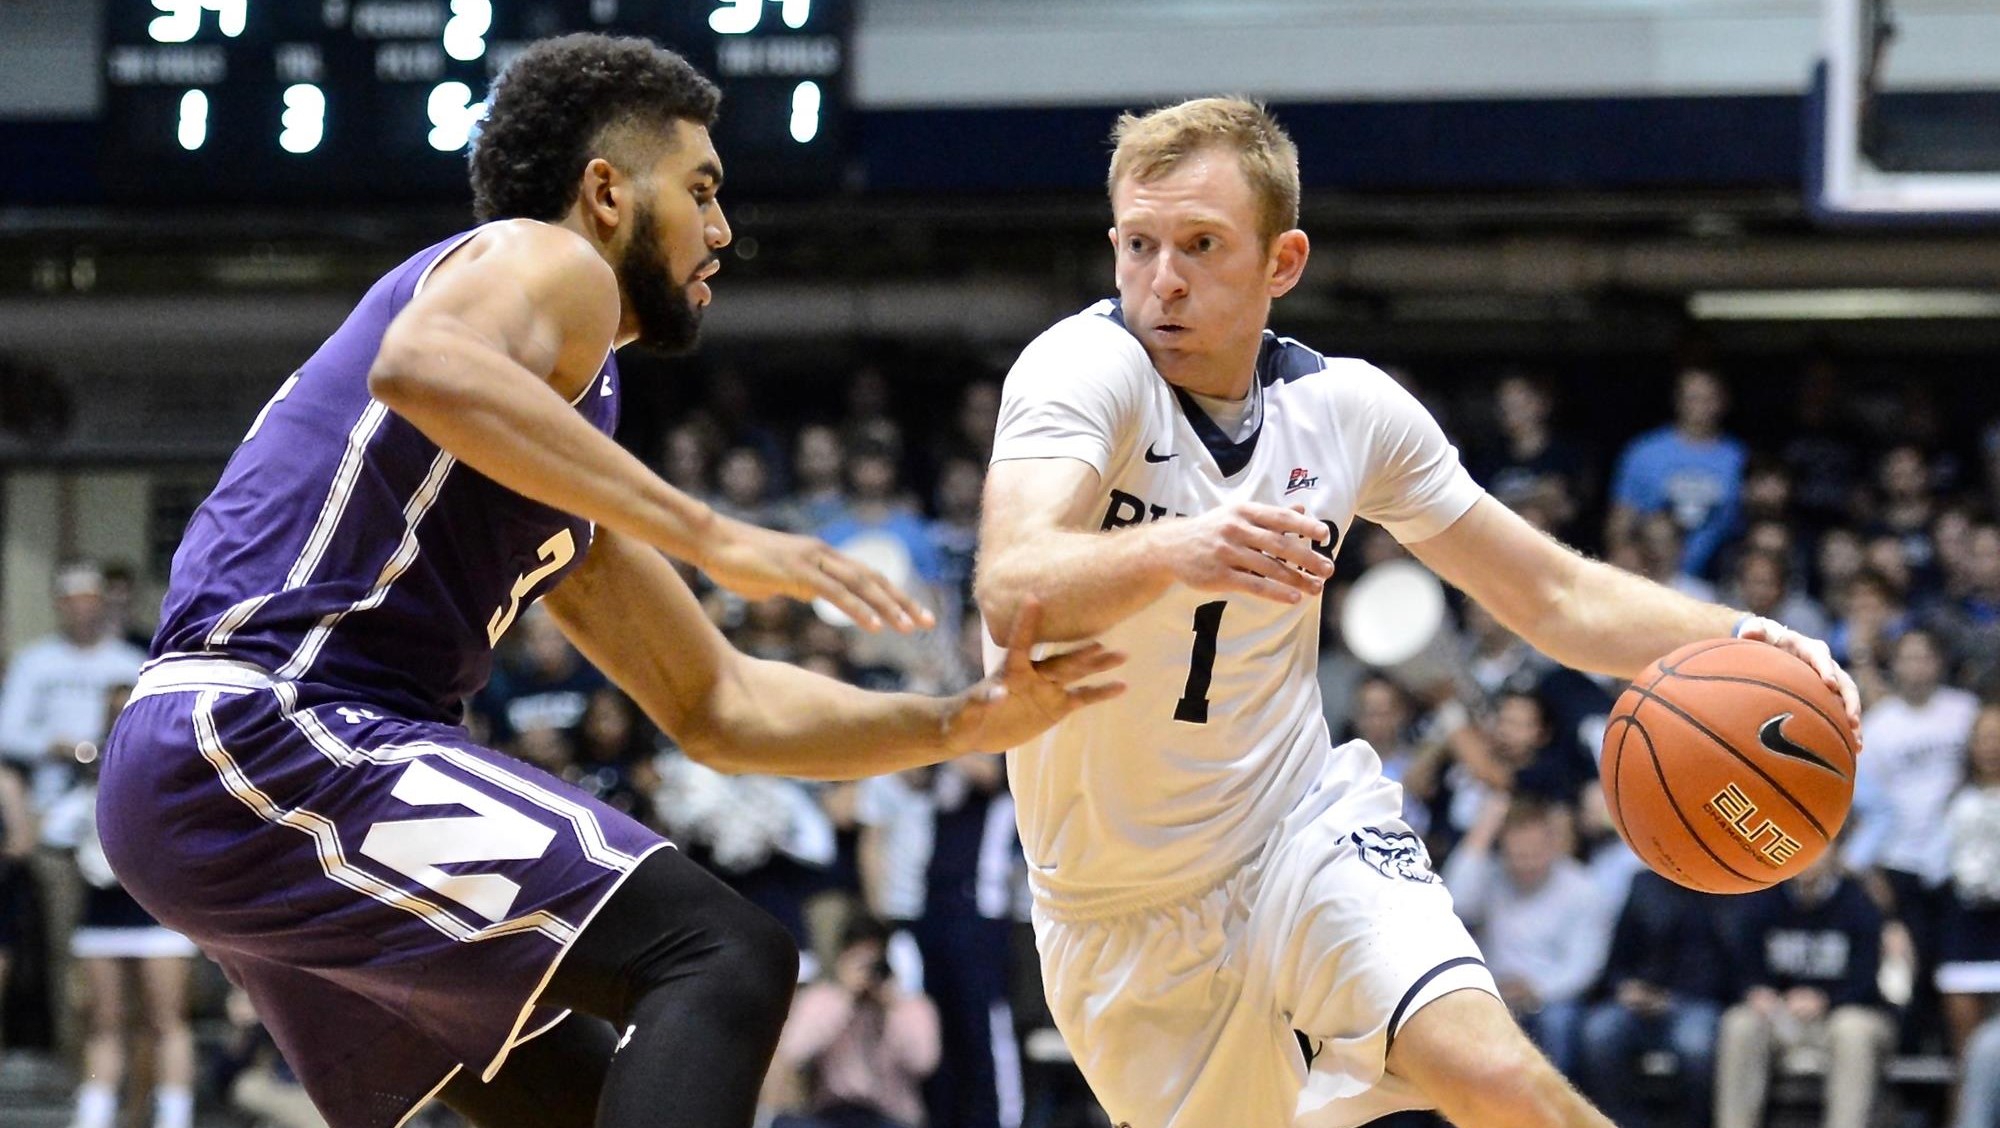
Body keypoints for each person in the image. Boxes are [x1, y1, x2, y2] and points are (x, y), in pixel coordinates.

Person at [97, 34, 1122, 1128]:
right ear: (605, 192)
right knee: (719, 955)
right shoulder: (544, 259)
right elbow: (423, 365)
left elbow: (718, 705)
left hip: (234, 771)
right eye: (701, 189)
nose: (722, 231)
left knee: (591, 1100)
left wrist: (963, 721)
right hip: (272, 729)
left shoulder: (551, 436)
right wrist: (708, 533)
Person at [974, 96, 1858, 1128]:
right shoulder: (1083, 372)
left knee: (1497, 1081)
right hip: (1114, 910)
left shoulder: (1347, 409)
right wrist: (1179, 546)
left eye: (1200, 245)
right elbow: (1013, 581)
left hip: (1297, 831)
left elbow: (1551, 594)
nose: (1160, 281)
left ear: (1281, 262)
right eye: (1137, 244)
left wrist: (1741, 639)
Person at [1713, 847, 1894, 1128]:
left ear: (1836, 853)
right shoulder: (1762, 899)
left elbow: (1869, 979)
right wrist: (1756, 991)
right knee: (1739, 1024)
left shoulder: (1859, 902)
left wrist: (1826, 1000)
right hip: (1780, 1017)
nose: (1808, 859)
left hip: (1839, 1015)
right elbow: (1741, 965)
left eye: (1818, 849)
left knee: (1853, 1030)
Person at [770, 914, 942, 1128]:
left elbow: (923, 1062)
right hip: (831, 1115)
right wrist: (843, 997)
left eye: (873, 961)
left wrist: (891, 1007)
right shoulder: (823, 998)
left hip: (890, 1118)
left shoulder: (912, 1007)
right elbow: (793, 1051)